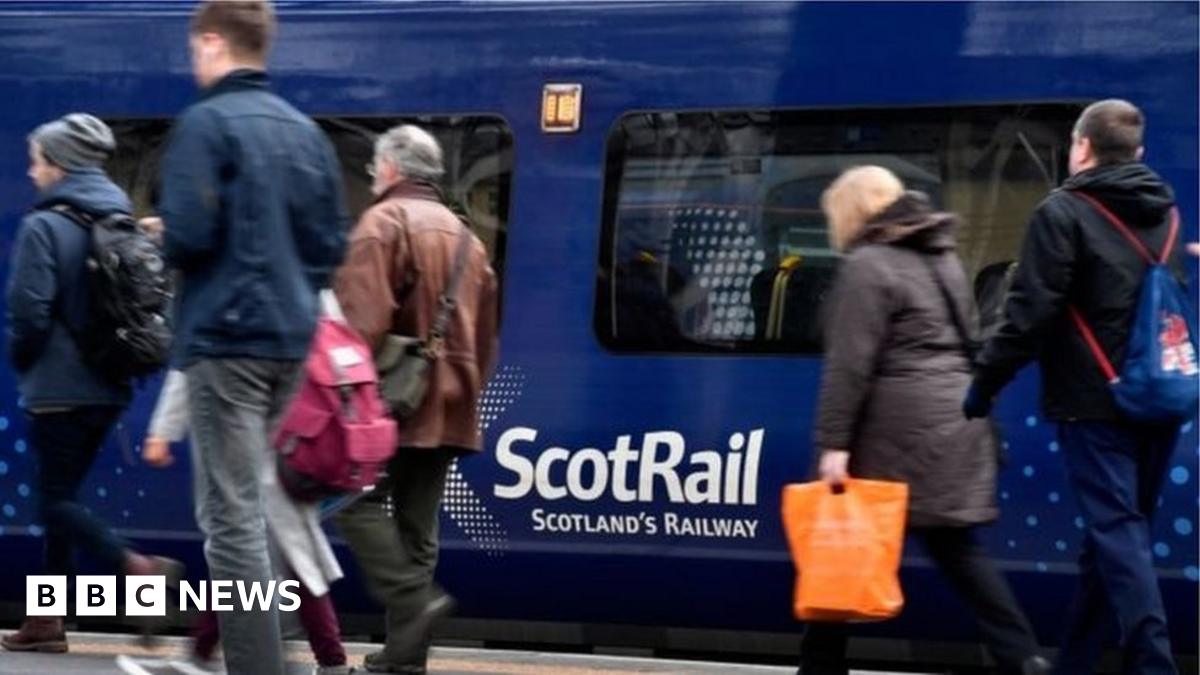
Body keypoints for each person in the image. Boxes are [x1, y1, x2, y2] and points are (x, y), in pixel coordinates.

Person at [157, 2, 348, 673]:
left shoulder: (205, 124)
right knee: (259, 507)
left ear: (213, 41)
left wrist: (166, 236)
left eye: (194, 47)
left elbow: (188, 236)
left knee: (231, 518)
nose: (193, 60)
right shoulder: (305, 132)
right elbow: (329, 247)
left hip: (225, 340)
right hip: (291, 345)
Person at [965, 99, 1187, 675]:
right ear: (1137, 152)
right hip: (1160, 397)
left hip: (1094, 403)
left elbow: (1028, 314)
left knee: (1118, 531)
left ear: (1081, 146)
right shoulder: (1164, 212)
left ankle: (1154, 663)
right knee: (1113, 537)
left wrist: (984, 383)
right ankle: (1077, 662)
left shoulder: (1062, 211)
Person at [803, 166, 1048, 675]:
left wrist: (833, 444)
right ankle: (1022, 657)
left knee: (841, 547)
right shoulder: (942, 258)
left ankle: (820, 666)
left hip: (897, 432)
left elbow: (849, 365)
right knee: (956, 551)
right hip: (954, 421)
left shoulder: (867, 265)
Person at [3, 114, 182, 654]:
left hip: (59, 387)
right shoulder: (119, 219)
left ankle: (139, 569)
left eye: (37, 162)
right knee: (66, 497)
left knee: (52, 502)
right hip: (111, 384)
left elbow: (28, 312)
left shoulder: (44, 226)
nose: (32, 172)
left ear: (59, 165)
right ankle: (47, 619)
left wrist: (25, 360)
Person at [333, 125, 498, 675]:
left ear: (390, 168)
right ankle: (406, 657)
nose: (371, 178)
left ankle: (412, 598)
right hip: (450, 403)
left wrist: (342, 400)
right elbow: (486, 337)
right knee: (418, 530)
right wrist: (462, 389)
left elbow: (360, 326)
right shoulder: (469, 239)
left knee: (352, 501)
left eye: (373, 169)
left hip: (392, 401)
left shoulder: (383, 224)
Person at [143, 370, 350, 675]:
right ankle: (201, 652)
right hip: (290, 443)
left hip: (261, 450)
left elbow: (191, 361)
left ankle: (329, 660)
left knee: (253, 555)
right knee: (262, 557)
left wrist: (162, 431)